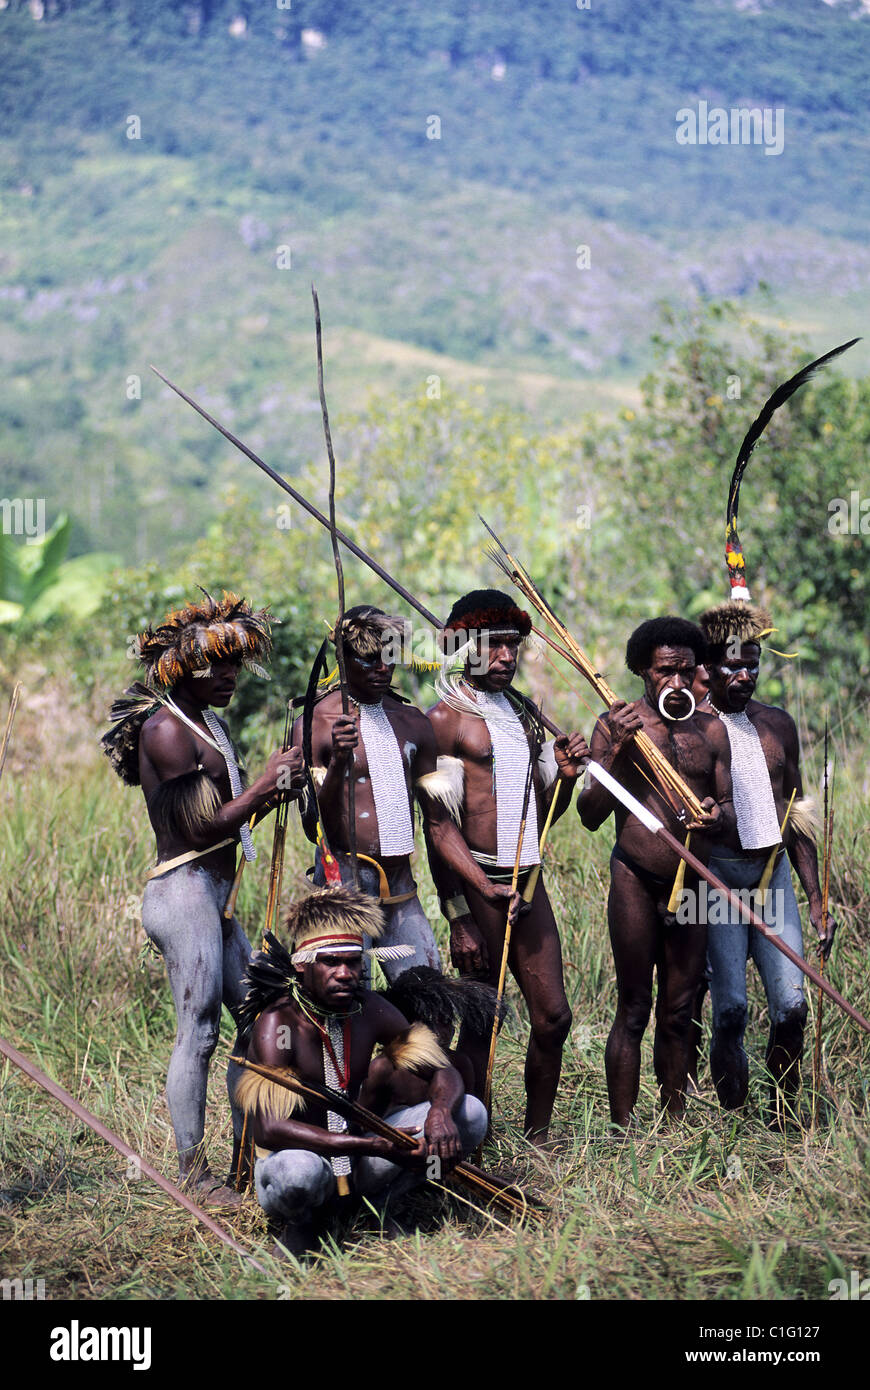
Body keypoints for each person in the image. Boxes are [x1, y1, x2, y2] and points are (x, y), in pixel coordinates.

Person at [102, 591, 304, 1203]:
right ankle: (193, 1177)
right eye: (215, 665)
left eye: (235, 664)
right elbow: (201, 828)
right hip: (184, 891)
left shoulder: (207, 722)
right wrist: (267, 783)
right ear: (179, 667)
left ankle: (248, 1151)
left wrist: (276, 790)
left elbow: (231, 820)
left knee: (260, 1017)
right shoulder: (166, 728)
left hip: (214, 895)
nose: (228, 677)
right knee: (199, 1031)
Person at [235, 886, 488, 1256]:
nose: (344, 974)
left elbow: (440, 1068)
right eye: (331, 962)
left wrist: (439, 1112)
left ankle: (380, 1208)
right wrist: (371, 1144)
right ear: (302, 964)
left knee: (470, 1115)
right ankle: (303, 1225)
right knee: (297, 1176)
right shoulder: (280, 1024)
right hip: (300, 1159)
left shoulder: (369, 1009)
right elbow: (269, 1129)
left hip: (359, 1153)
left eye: (353, 962)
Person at [425, 589, 590, 1145]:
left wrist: (563, 776)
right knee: (481, 1022)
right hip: (479, 883)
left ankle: (539, 1139)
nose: (505, 657)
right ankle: (474, 1140)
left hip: (528, 877)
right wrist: (460, 914)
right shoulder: (444, 720)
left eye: (512, 646)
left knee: (553, 1017)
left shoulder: (521, 717)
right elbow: (438, 827)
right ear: (465, 647)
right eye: (492, 645)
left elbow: (542, 816)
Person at [295, 604, 520, 980]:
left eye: (389, 658)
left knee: (432, 1007)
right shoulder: (315, 723)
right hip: (342, 885)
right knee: (347, 1003)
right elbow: (314, 824)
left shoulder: (413, 722)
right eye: (369, 660)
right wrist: (337, 761)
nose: (383, 669)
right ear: (342, 656)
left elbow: (439, 823)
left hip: (401, 887)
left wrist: (483, 886)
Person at [576, 616, 733, 1129]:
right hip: (635, 879)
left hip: (693, 880)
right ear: (643, 670)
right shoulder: (615, 724)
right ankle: (623, 1133)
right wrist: (620, 747)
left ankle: (674, 1128)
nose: (678, 683)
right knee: (635, 1007)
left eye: (687, 672)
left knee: (680, 1009)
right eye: (667, 671)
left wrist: (716, 814)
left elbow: (731, 812)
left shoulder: (711, 729)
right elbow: (591, 812)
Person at [698, 600, 835, 1119]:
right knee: (730, 1010)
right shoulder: (693, 731)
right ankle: (735, 1122)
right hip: (716, 883)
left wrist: (817, 899)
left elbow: (796, 815)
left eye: (752, 664)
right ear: (707, 668)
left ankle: (783, 1114)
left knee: (793, 1006)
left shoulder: (778, 724)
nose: (743, 674)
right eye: (731, 664)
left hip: (772, 876)